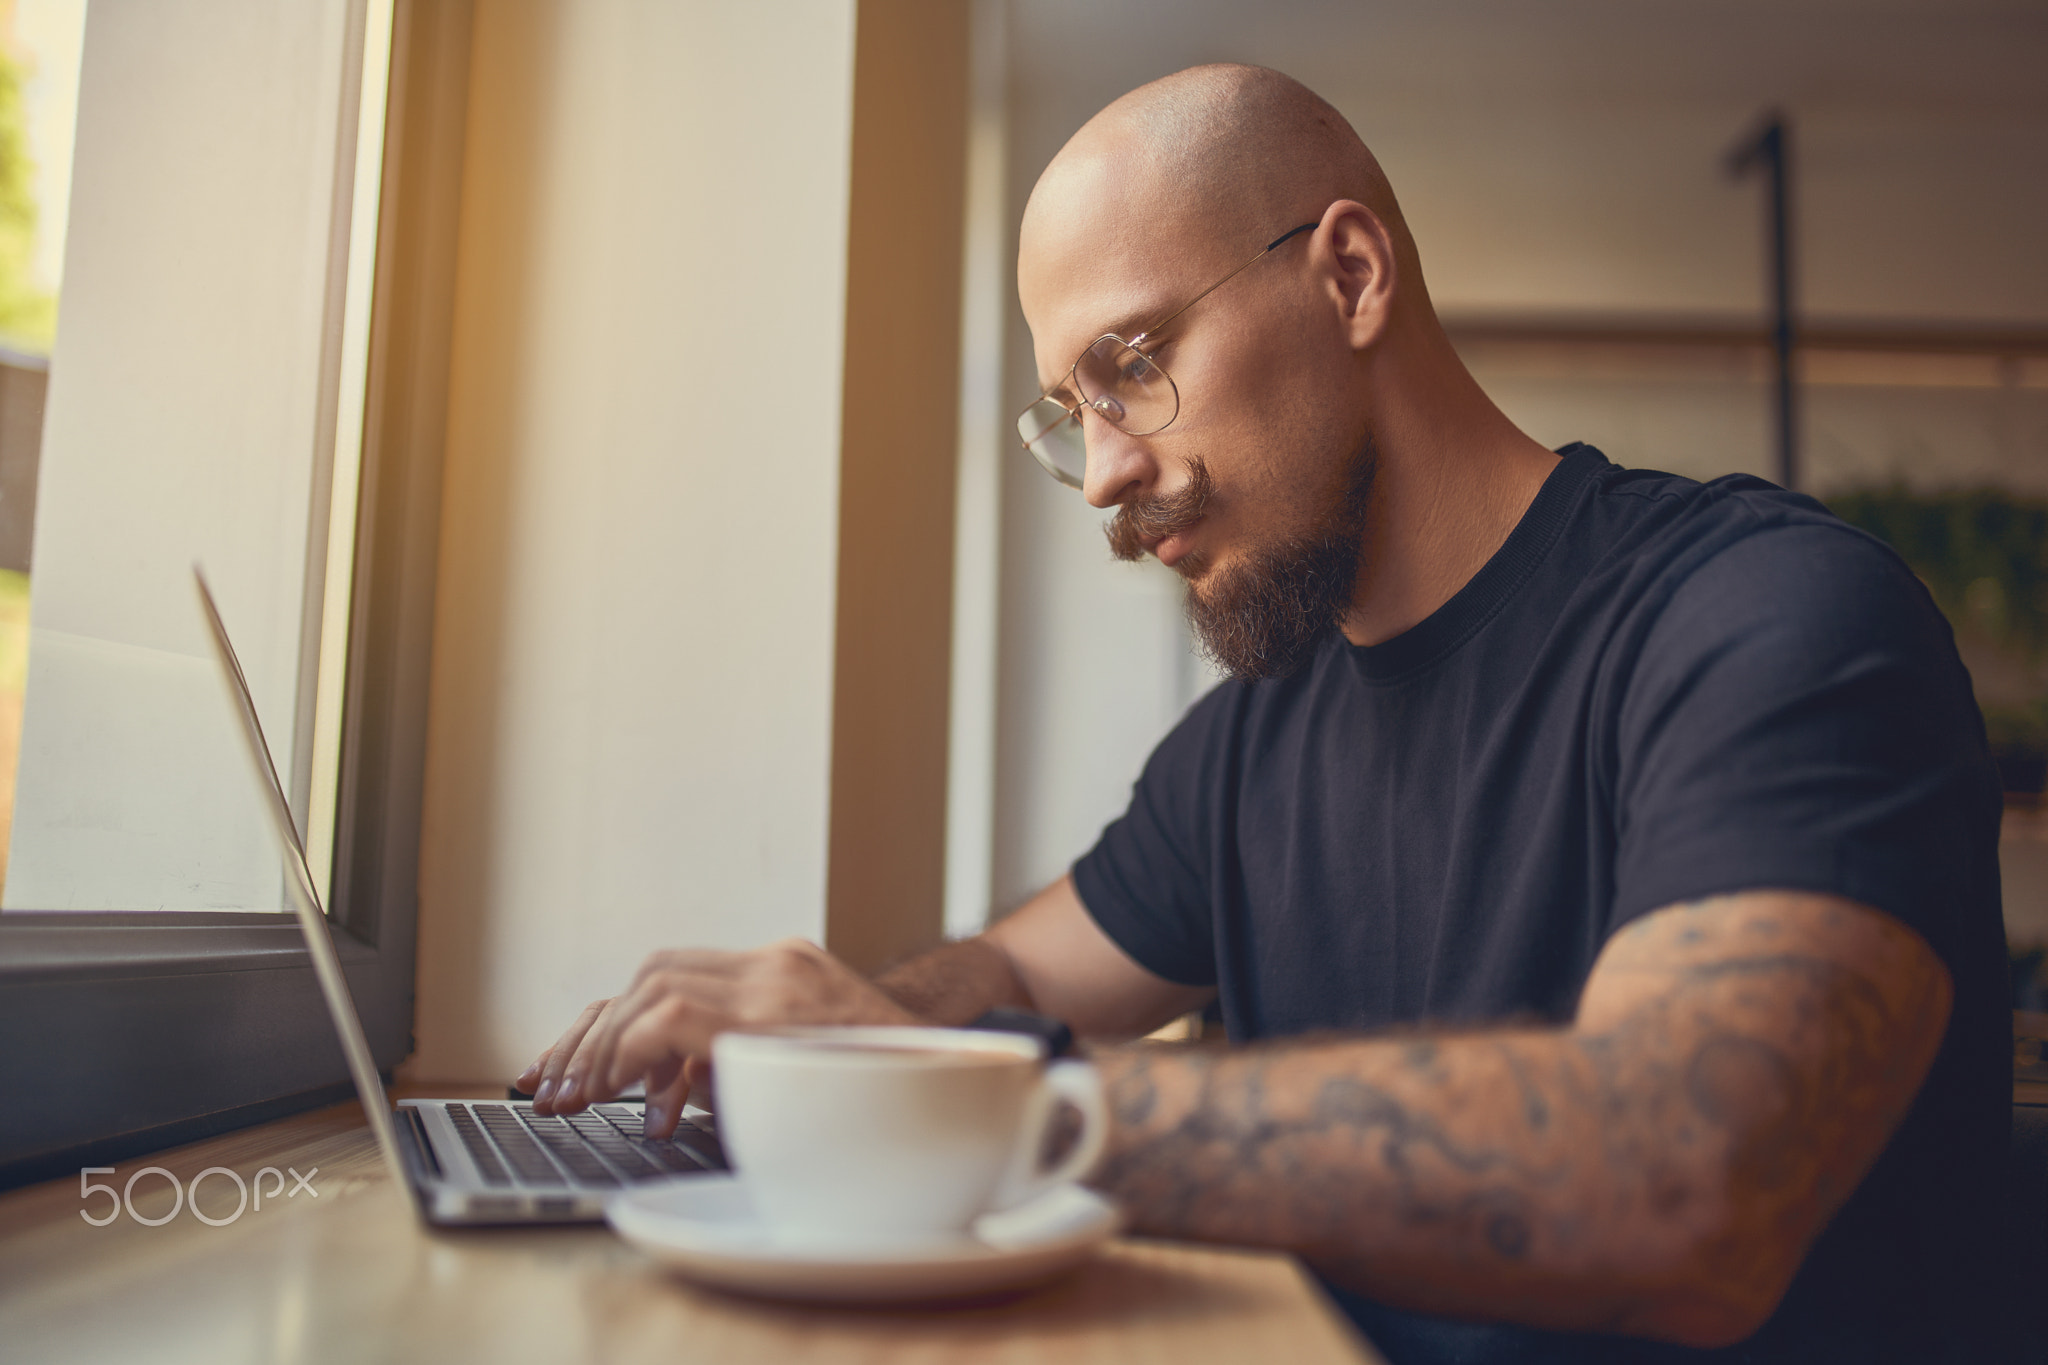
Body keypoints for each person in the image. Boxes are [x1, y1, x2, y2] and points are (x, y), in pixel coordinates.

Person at [516, 65, 2014, 1362]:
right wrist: (844, 1034)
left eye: (1134, 364)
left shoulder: (1769, 620)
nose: (1105, 475)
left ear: (1350, 276)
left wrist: (974, 1104)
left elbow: (1690, 1182)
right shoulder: (1249, 747)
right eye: (1073, 414)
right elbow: (1016, 970)